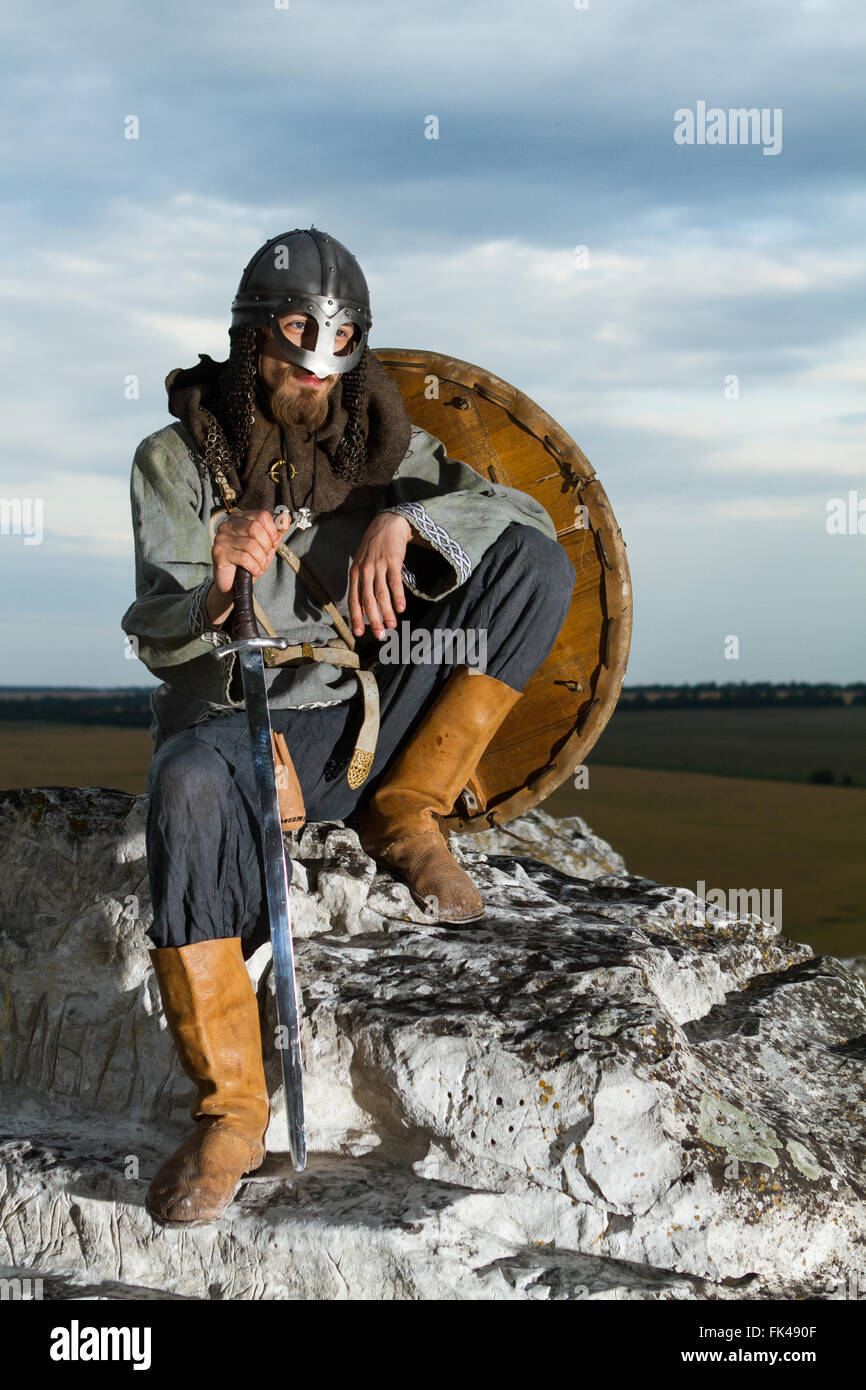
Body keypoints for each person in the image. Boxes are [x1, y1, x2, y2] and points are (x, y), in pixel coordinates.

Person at [121, 227, 575, 1225]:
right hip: (244, 733)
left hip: (370, 724)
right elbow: (154, 629)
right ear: (251, 347)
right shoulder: (171, 462)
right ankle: (231, 1113)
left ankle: (407, 810)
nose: (311, 384)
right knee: (187, 788)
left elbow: (527, 523)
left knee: (535, 566)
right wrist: (218, 582)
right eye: (291, 360)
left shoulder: (383, 442)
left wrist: (411, 522)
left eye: (330, 365)